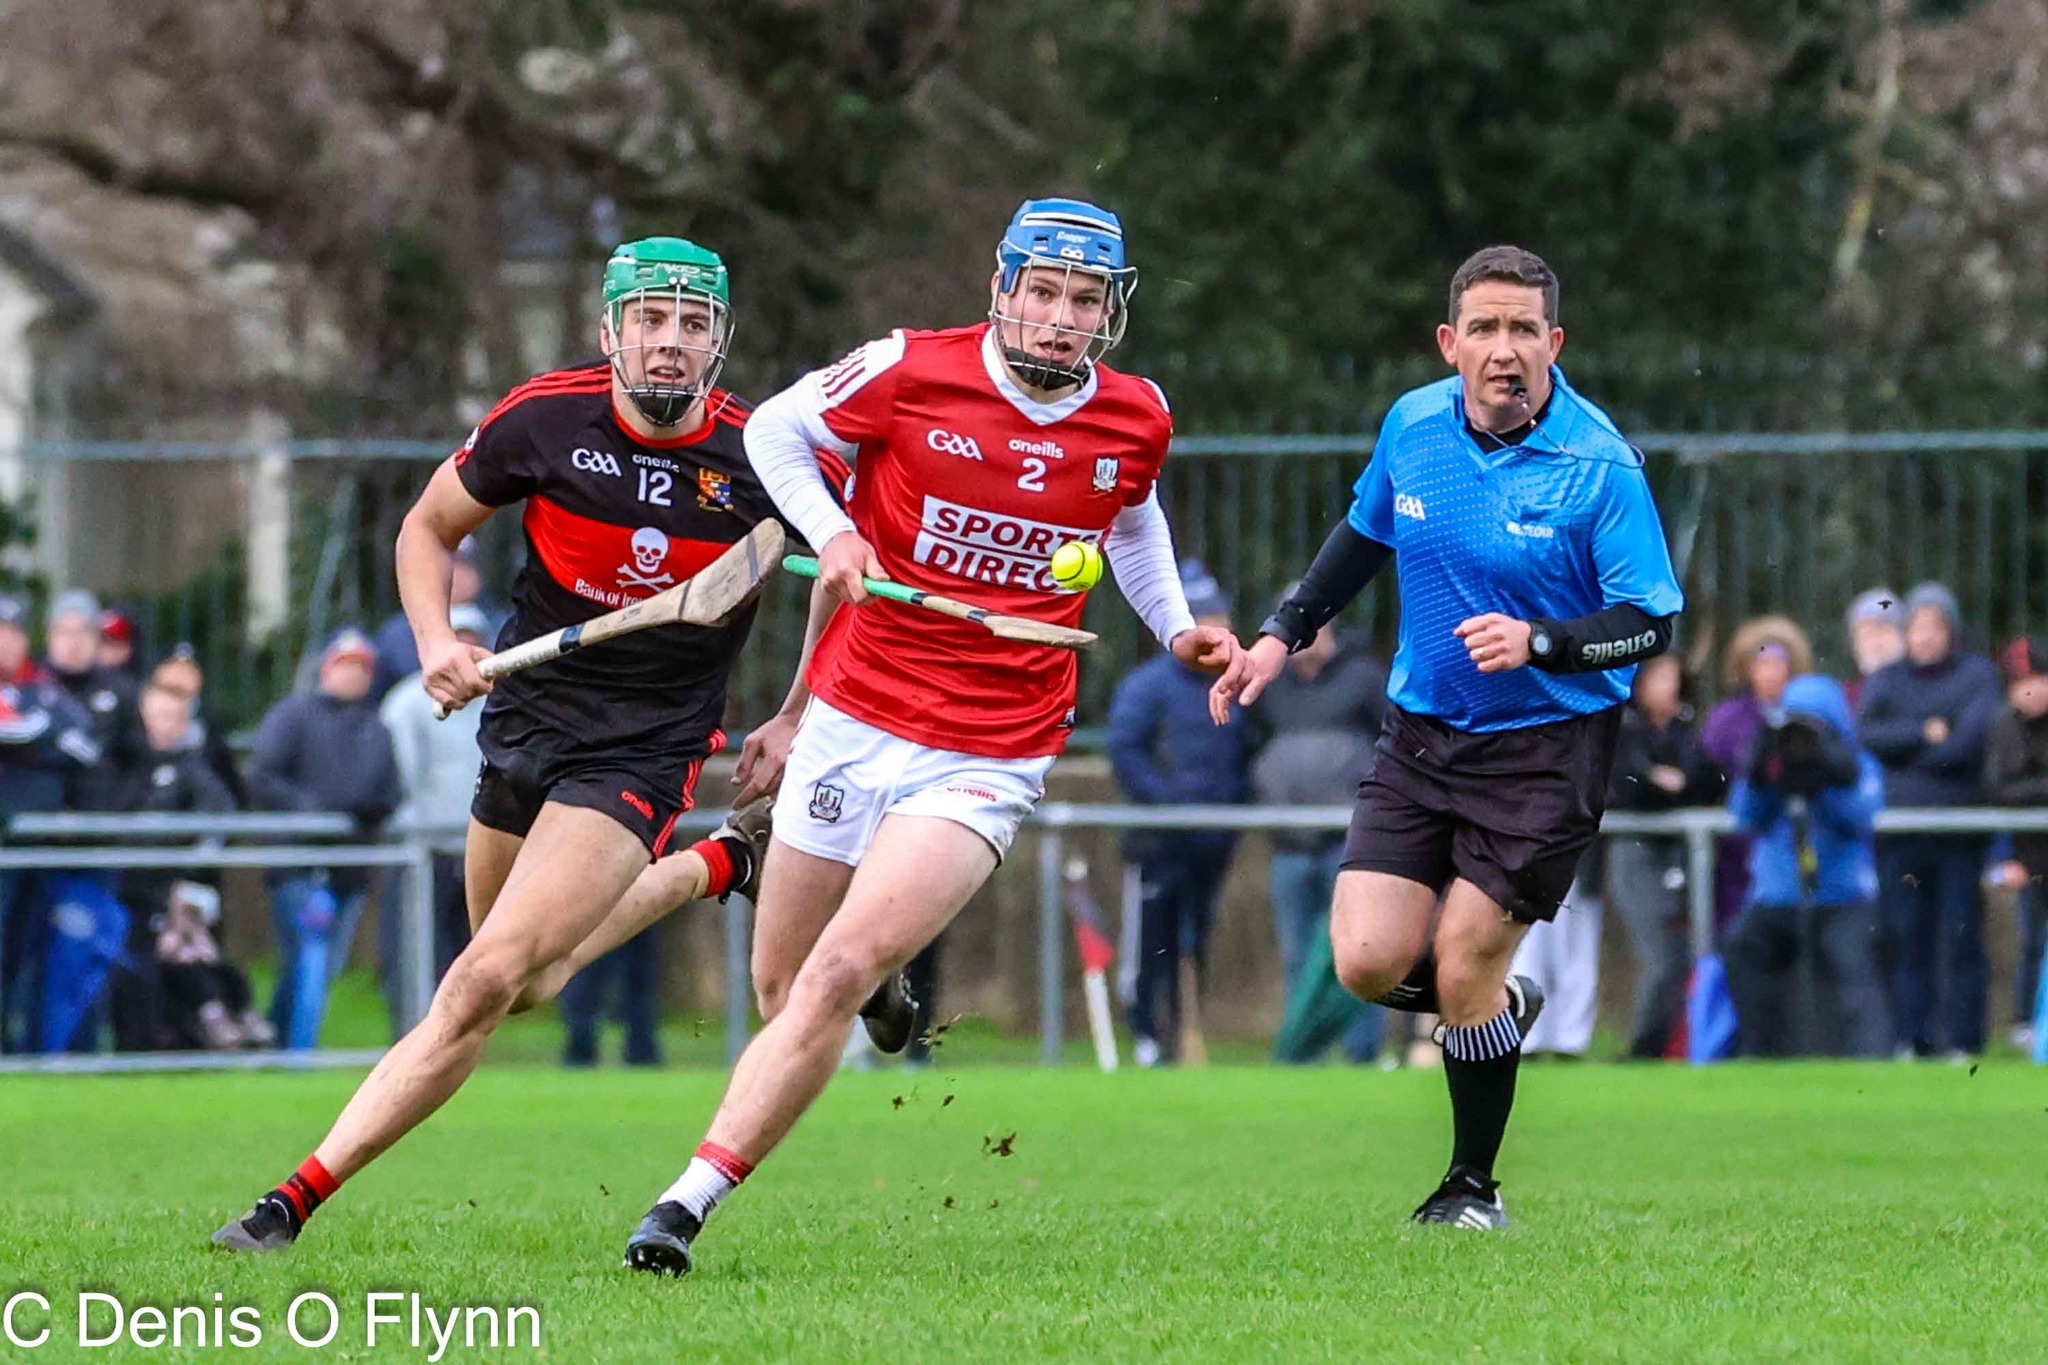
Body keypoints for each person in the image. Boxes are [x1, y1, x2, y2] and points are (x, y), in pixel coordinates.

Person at [621, 197, 1245, 1274]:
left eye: (1082, 300)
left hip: (988, 747)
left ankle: (681, 1205)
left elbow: (1130, 517)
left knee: (831, 972)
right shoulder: (909, 367)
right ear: (1001, 290)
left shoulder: (1134, 414)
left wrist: (1178, 631)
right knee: (786, 988)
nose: (1059, 318)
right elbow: (773, 426)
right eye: (1041, 293)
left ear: (1109, 312)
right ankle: (882, 994)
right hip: (857, 715)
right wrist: (836, 532)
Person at [212, 237, 792, 1253]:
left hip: (642, 747)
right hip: (525, 714)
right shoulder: (545, 419)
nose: (670, 344)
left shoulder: (764, 456)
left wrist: (790, 716)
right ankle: (724, 861)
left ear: (719, 341)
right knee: (523, 977)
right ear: (609, 331)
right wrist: (437, 643)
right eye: (650, 321)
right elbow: (426, 530)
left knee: (477, 985)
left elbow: (843, 579)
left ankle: (287, 1205)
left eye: (692, 325)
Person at [1213, 245, 1682, 1228]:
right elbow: (1361, 537)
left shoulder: (1598, 466)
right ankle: (1492, 1017)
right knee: (1363, 965)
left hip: (1549, 749)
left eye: (1522, 329)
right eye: (1483, 328)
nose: (1502, 349)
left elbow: (1648, 620)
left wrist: (1541, 640)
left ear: (1552, 343)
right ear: (1448, 342)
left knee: (1464, 960)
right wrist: (1276, 634)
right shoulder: (1412, 423)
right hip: (1422, 735)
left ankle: (1470, 1187)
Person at [1107, 560, 1251, 1066]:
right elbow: (1125, 750)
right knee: (1152, 942)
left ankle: (1185, 1031)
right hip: (1160, 842)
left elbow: (1247, 754)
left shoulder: (1238, 687)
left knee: (1197, 940)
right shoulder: (1147, 686)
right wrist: (1169, 805)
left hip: (1215, 841)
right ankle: (1149, 1034)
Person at [1857, 581, 2002, 1060]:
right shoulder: (1888, 679)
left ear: (1951, 630)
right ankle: (1909, 1038)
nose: (1924, 637)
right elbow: (1871, 733)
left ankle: (1962, 1039)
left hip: (1959, 832)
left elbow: (1968, 741)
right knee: (1904, 936)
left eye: (1934, 626)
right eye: (1915, 626)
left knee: (1960, 936)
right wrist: (1925, 731)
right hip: (1902, 833)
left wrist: (1913, 752)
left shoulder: (1977, 675)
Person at [1249, 588, 1389, 1067]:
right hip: (1288, 843)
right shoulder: (1273, 682)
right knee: (1296, 954)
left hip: (1348, 845)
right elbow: (1255, 744)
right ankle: (1301, 1054)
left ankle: (1362, 1054)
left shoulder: (1365, 676)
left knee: (1356, 954)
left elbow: (1393, 742)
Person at [246, 627, 402, 1050]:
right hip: (299, 863)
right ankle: (298, 1053)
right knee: (309, 959)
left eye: (361, 668)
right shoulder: (292, 716)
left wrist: (368, 812)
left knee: (321, 965)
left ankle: (274, 1042)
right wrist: (313, 809)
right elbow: (262, 777)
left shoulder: (376, 728)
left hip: (348, 867)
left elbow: (390, 791)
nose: (353, 676)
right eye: (345, 665)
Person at [1723, 674, 1888, 1057]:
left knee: (1855, 975)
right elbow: (1745, 817)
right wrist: (1762, 779)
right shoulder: (1772, 761)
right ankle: (1757, 1052)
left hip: (1843, 895)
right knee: (1743, 952)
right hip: (1778, 895)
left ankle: (1871, 1058)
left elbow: (1861, 818)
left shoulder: (1857, 763)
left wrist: (1824, 786)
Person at [105, 677, 242, 1051]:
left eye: (173, 716)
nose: (164, 724)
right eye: (158, 714)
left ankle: (167, 1042)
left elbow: (221, 815)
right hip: (117, 887)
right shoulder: (120, 763)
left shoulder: (191, 768)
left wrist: (188, 873)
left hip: (165, 892)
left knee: (177, 961)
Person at [1603, 651, 1723, 1058]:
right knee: (1661, 956)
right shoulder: (1623, 726)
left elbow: (1706, 781)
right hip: (1635, 851)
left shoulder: (1683, 730)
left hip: (1675, 853)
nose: (1668, 687)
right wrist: (1662, 782)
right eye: (1659, 678)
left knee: (1679, 956)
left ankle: (1661, 1048)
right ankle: (1642, 1049)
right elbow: (1629, 785)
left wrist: (1673, 781)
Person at [377, 603, 492, 1025]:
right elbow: (400, 779)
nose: (465, 645)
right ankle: (413, 1034)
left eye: (472, 636)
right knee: (420, 953)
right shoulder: (407, 702)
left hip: (483, 846)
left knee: (480, 958)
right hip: (427, 853)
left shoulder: (502, 696)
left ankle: (466, 1038)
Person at [0, 600, 100, 1053]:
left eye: (11, 631)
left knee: (30, 951)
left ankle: (28, 1047)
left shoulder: (42, 689)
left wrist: (29, 736)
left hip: (40, 845)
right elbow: (40, 735)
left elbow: (82, 745)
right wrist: (40, 739)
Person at [1701, 617, 1813, 931]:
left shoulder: (1807, 715)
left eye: (1778, 664)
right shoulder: (1725, 721)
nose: (1770, 673)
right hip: (1738, 855)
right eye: (1761, 664)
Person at [1983, 636, 2048, 1051]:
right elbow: (1997, 789)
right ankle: (2027, 1026)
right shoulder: (2003, 726)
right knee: (2034, 941)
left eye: (2039, 679)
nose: (2031, 690)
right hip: (2031, 859)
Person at [42, 590, 145, 810]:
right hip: (40, 821)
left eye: (83, 632)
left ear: (97, 638)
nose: (74, 642)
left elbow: (138, 759)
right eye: (64, 632)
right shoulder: (33, 687)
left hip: (102, 822)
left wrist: (117, 807)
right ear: (49, 637)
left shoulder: (121, 690)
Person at [371, 538, 492, 702]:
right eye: (445, 568)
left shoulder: (507, 626)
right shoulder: (396, 635)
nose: (455, 575)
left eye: (463, 567)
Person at [1844, 586, 1905, 709]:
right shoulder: (1845, 699)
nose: (1875, 642)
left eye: (1882, 630)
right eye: (1866, 634)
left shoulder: (1923, 688)